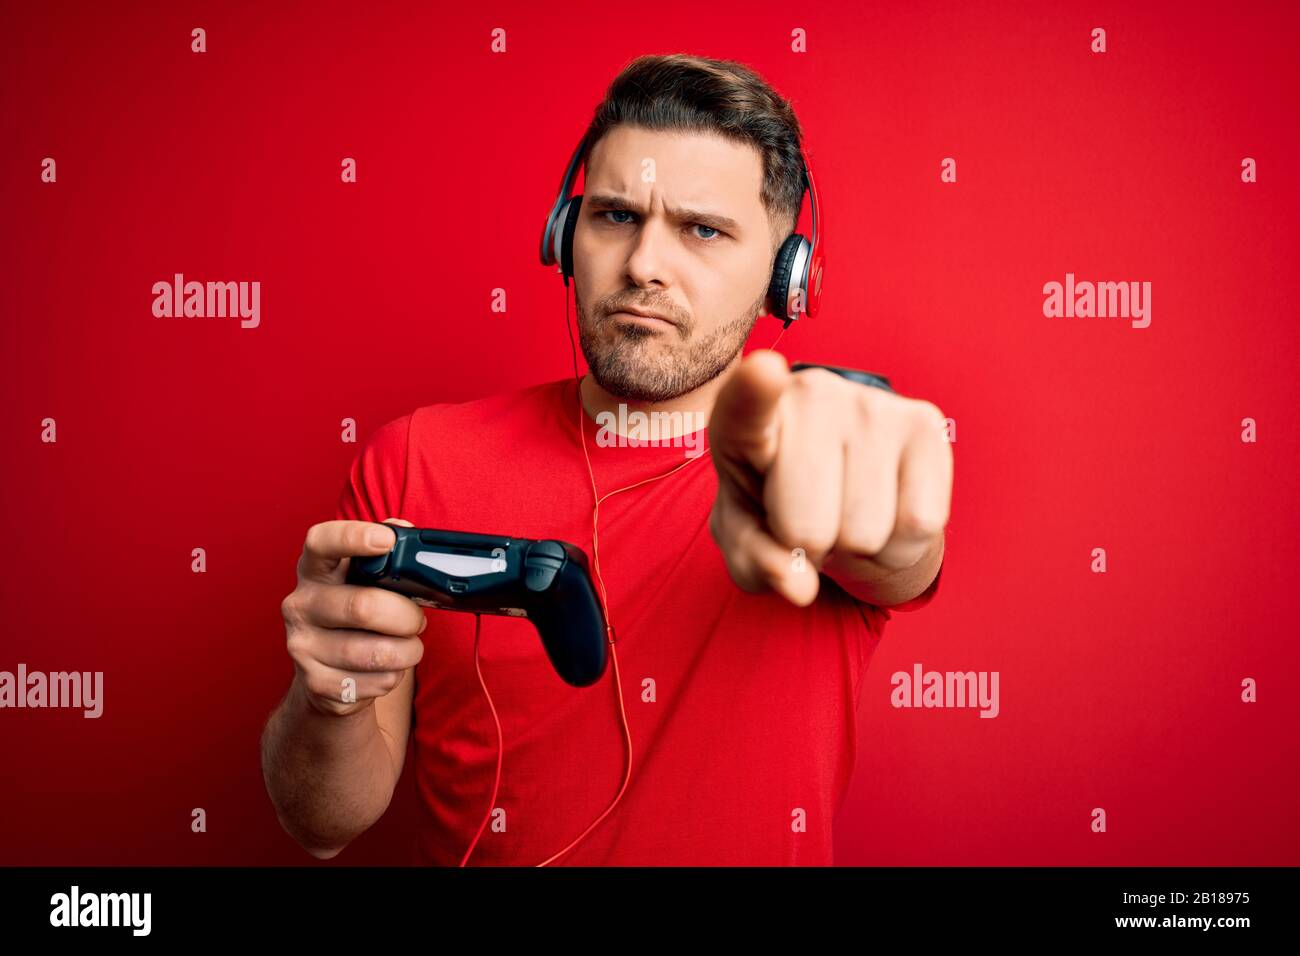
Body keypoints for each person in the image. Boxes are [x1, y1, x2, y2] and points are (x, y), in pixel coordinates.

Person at [261, 53, 952, 866]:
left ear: (785, 277)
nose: (644, 266)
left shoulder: (820, 449)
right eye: (616, 216)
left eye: (703, 229)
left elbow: (896, 550)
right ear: (565, 235)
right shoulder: (417, 459)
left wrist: (867, 508)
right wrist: (330, 697)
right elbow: (324, 824)